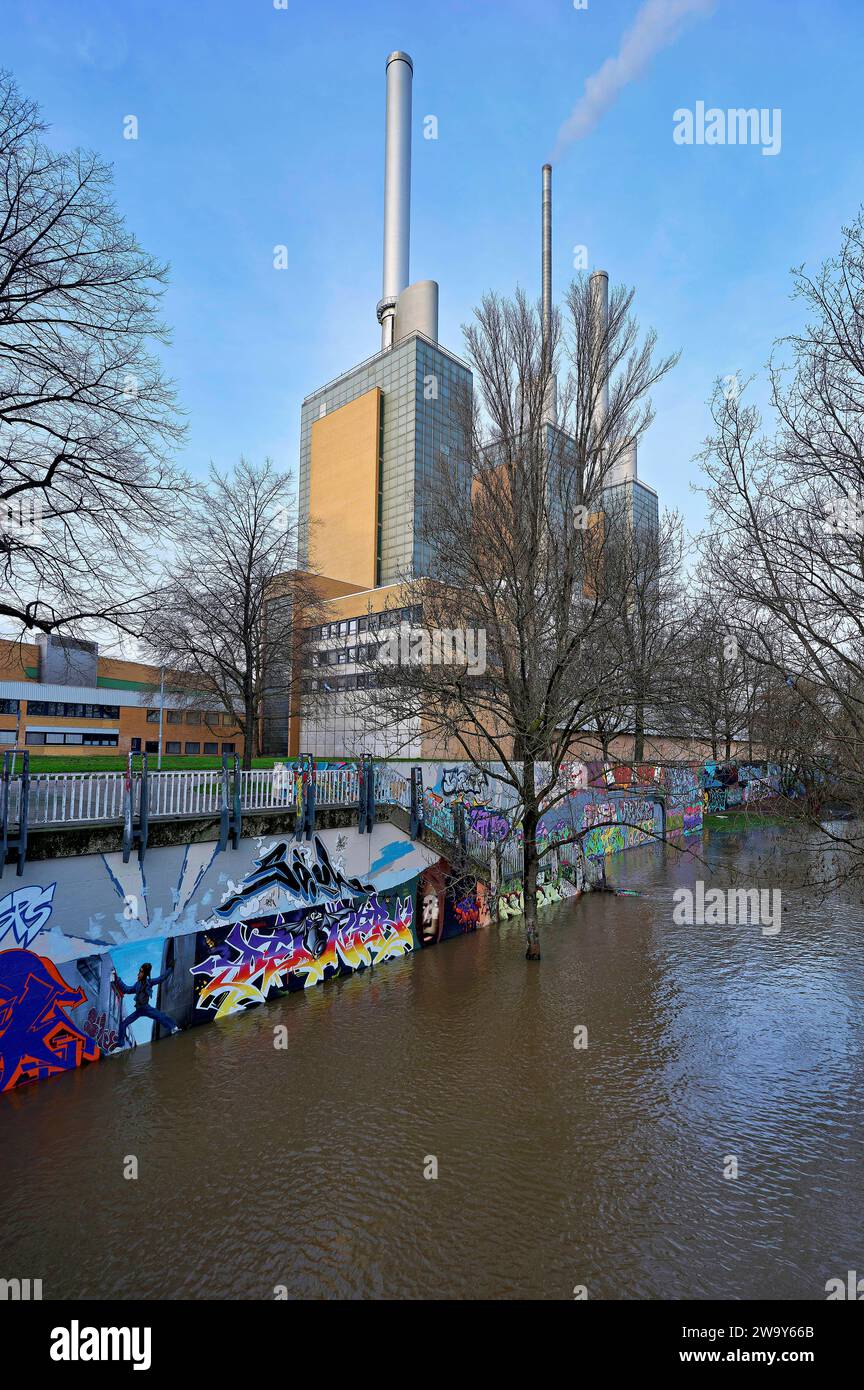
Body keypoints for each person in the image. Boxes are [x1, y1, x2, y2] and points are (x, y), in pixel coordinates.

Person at [114, 962, 180, 1045]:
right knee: (123, 1024)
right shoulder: (137, 984)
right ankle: (120, 1044)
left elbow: (161, 978)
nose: (139, 973)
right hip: (139, 1010)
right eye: (139, 971)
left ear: (145, 973)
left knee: (161, 1016)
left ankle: (174, 1028)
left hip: (146, 1008)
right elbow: (127, 989)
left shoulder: (149, 982)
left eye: (141, 972)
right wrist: (118, 979)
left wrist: (170, 969)